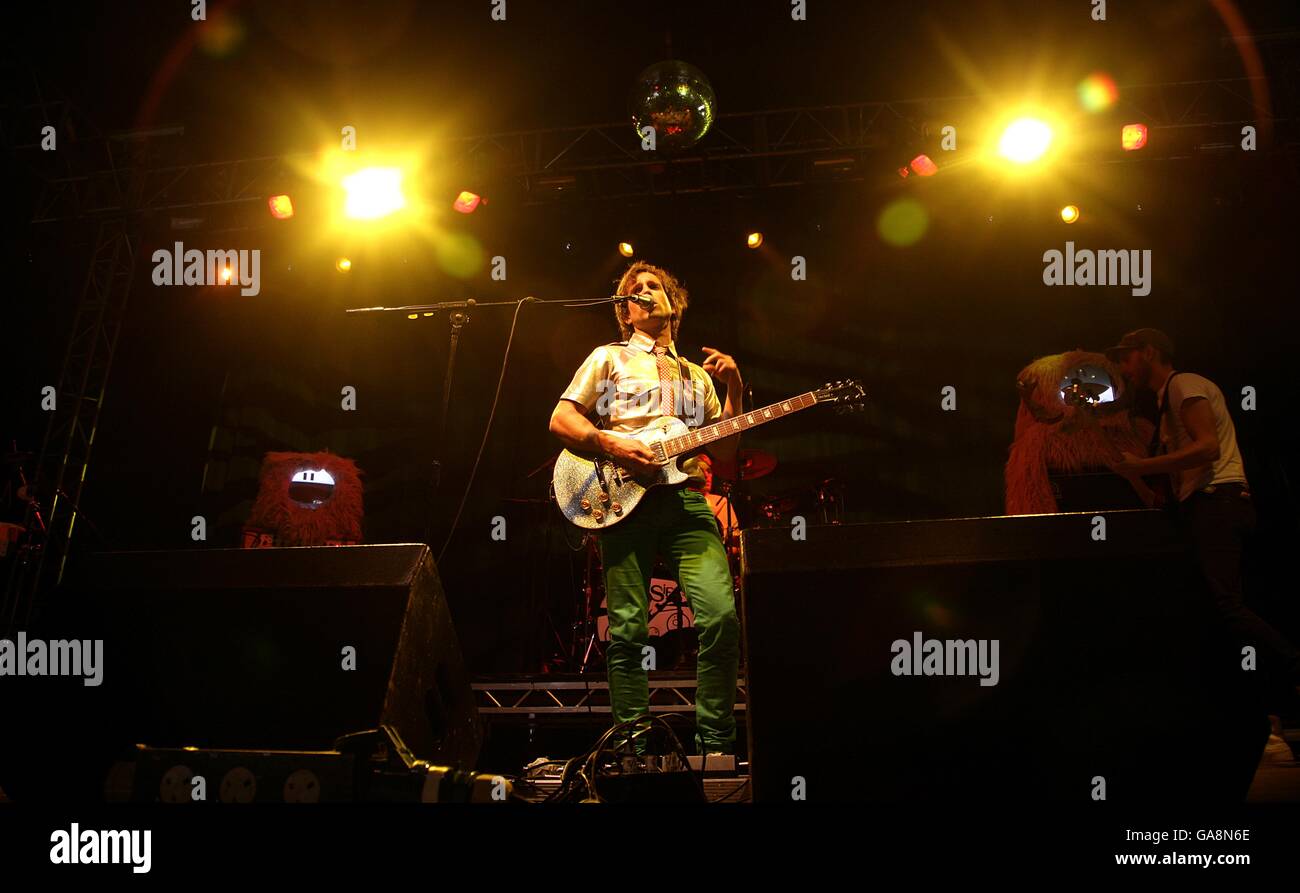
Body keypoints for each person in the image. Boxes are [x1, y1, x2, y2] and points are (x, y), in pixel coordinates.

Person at [549, 261, 744, 755]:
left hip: (685, 503)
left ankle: (716, 746)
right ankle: (634, 748)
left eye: (653, 286)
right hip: (623, 499)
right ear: (626, 312)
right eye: (633, 290)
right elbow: (561, 419)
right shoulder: (608, 358)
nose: (643, 293)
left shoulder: (697, 377)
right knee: (629, 631)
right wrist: (611, 446)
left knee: (721, 618)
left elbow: (724, 452)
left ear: (672, 302)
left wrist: (735, 388)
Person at [1106, 328, 1299, 761]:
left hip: (1220, 501)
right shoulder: (1165, 402)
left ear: (1149, 353)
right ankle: (1264, 718)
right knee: (1221, 615)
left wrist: (1144, 463)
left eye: (1127, 357)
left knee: (1225, 607)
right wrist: (1132, 471)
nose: (1122, 367)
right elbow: (1166, 489)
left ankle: (1293, 668)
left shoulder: (1184, 384)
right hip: (1207, 505)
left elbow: (1208, 448)